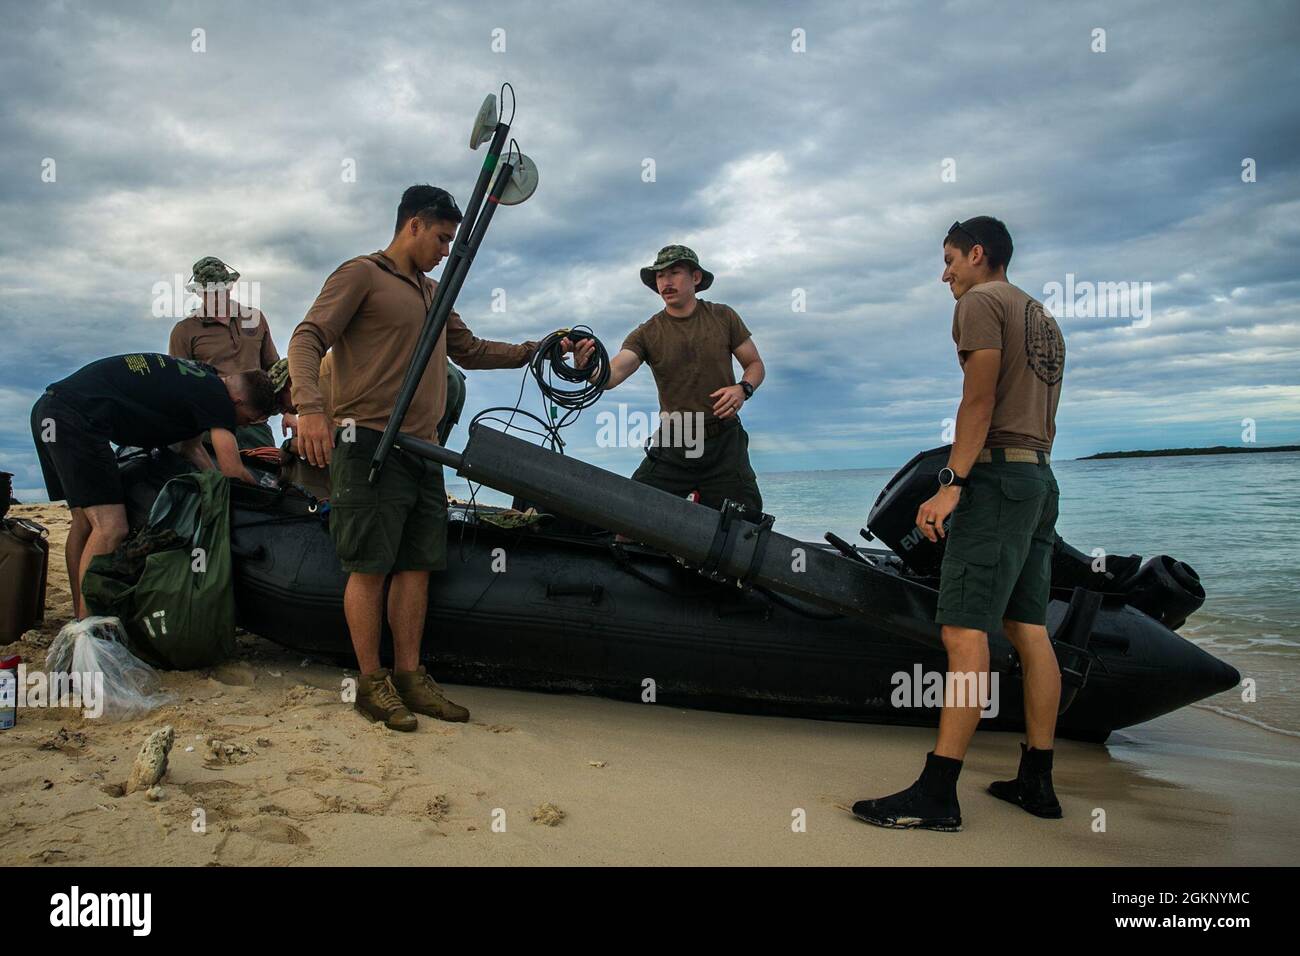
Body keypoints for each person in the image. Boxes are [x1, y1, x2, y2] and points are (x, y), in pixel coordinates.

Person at [288, 183, 593, 732]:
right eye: (442, 238)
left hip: (423, 450)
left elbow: (471, 351)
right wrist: (310, 409)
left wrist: (541, 347)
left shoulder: (434, 293)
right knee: (370, 566)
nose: (447, 250)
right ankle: (371, 681)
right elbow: (308, 336)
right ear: (412, 225)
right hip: (367, 444)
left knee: (418, 566)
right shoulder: (362, 274)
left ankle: (410, 676)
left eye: (453, 241)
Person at [852, 217, 1067, 832]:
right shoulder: (1042, 316)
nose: (945, 273)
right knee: (1029, 627)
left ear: (978, 254)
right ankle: (1037, 781)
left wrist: (952, 483)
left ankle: (938, 793)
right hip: (1039, 477)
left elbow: (978, 399)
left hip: (996, 480)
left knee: (963, 633)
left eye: (949, 259)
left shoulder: (980, 303)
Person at [29, 352, 277, 619]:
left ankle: (79, 616)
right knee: (111, 527)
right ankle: (88, 628)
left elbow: (190, 448)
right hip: (76, 420)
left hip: (49, 411)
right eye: (249, 420)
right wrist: (270, 499)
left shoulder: (201, 379)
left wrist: (213, 482)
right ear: (238, 402)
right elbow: (233, 471)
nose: (244, 426)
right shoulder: (219, 397)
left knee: (85, 522)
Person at [599, 244, 765, 512]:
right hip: (675, 443)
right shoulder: (647, 333)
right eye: (660, 276)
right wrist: (588, 367)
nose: (666, 281)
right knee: (629, 514)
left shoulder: (723, 316)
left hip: (724, 442)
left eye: (674, 272)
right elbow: (611, 375)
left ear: (695, 278)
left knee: (746, 525)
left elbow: (755, 364)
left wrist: (742, 388)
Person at [169, 256, 288, 448]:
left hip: (256, 425)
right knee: (216, 476)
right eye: (209, 291)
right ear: (199, 292)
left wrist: (288, 411)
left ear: (230, 286)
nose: (216, 296)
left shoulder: (255, 319)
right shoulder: (184, 331)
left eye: (220, 289)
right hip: (211, 427)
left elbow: (274, 369)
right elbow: (179, 385)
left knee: (267, 473)